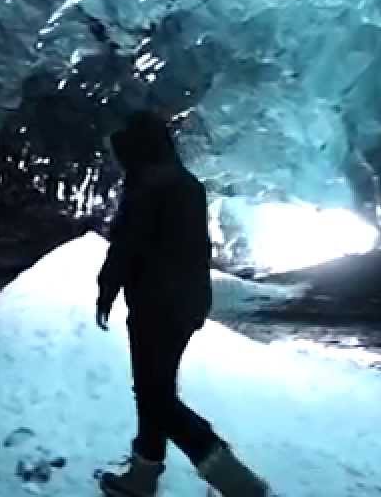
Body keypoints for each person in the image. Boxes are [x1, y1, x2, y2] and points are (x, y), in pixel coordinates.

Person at [96, 111, 269, 497]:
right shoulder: (188, 184)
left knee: (156, 395)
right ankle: (143, 473)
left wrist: (107, 290)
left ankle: (236, 482)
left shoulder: (147, 185)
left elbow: (127, 245)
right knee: (155, 388)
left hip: (155, 304)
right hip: (187, 302)